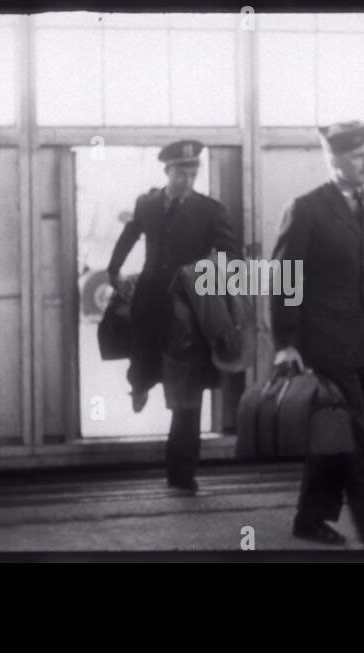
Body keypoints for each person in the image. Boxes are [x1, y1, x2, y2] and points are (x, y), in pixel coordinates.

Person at [270, 120, 364, 549]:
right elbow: (285, 279)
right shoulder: (307, 208)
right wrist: (286, 343)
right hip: (325, 345)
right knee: (354, 439)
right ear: (332, 160)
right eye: (357, 155)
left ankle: (310, 518)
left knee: (335, 432)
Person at [107, 139, 241, 494]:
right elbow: (130, 234)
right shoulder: (147, 203)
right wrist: (113, 272)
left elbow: (232, 259)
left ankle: (181, 475)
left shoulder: (212, 211)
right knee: (141, 366)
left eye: (193, 171)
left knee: (187, 394)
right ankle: (139, 386)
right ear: (166, 171)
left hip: (188, 310)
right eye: (181, 171)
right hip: (149, 304)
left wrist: (203, 275)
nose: (188, 178)